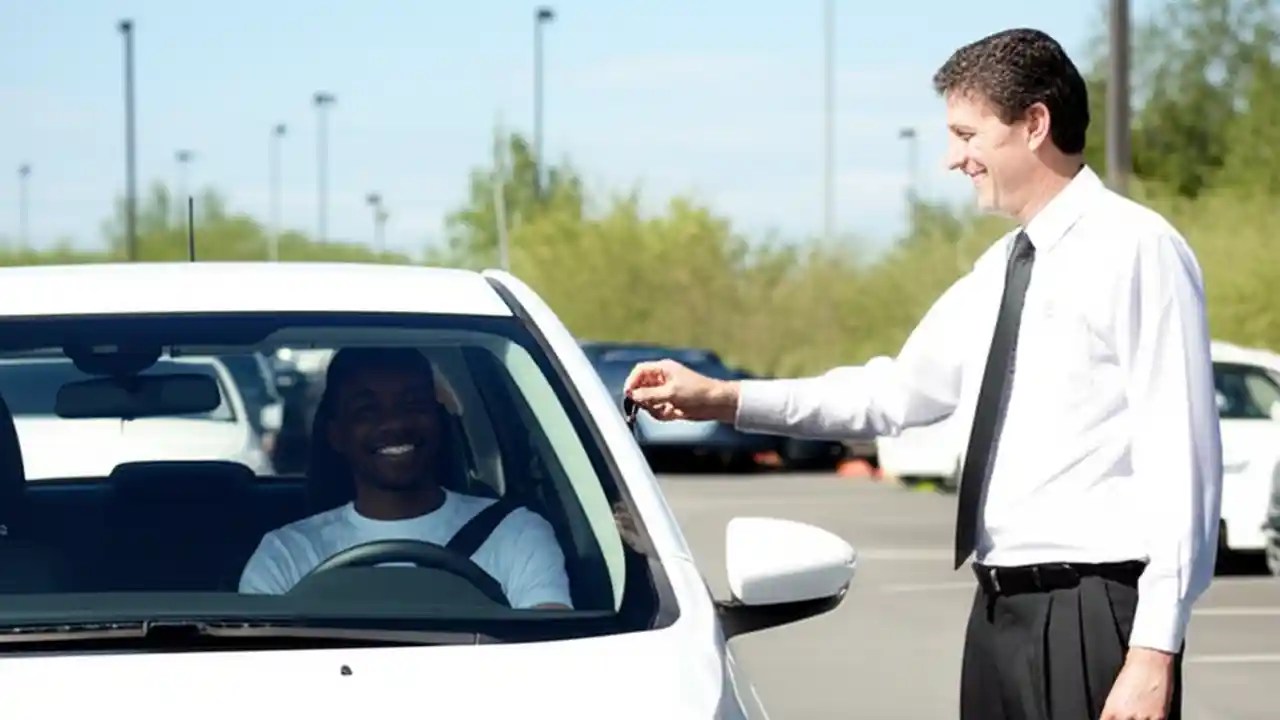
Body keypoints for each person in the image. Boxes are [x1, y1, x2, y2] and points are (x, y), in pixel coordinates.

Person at [624, 28, 1221, 720]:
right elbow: (893, 393)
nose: (952, 159)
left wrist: (1153, 651)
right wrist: (724, 398)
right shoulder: (1000, 269)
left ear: (1034, 124)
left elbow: (1183, 462)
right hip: (999, 615)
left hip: (1090, 620)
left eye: (967, 135)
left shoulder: (1137, 249)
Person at [239, 346, 574, 610]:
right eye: (367, 410)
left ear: (437, 419)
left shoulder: (515, 533)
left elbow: (552, 648)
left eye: (412, 403)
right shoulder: (285, 555)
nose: (394, 424)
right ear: (336, 435)